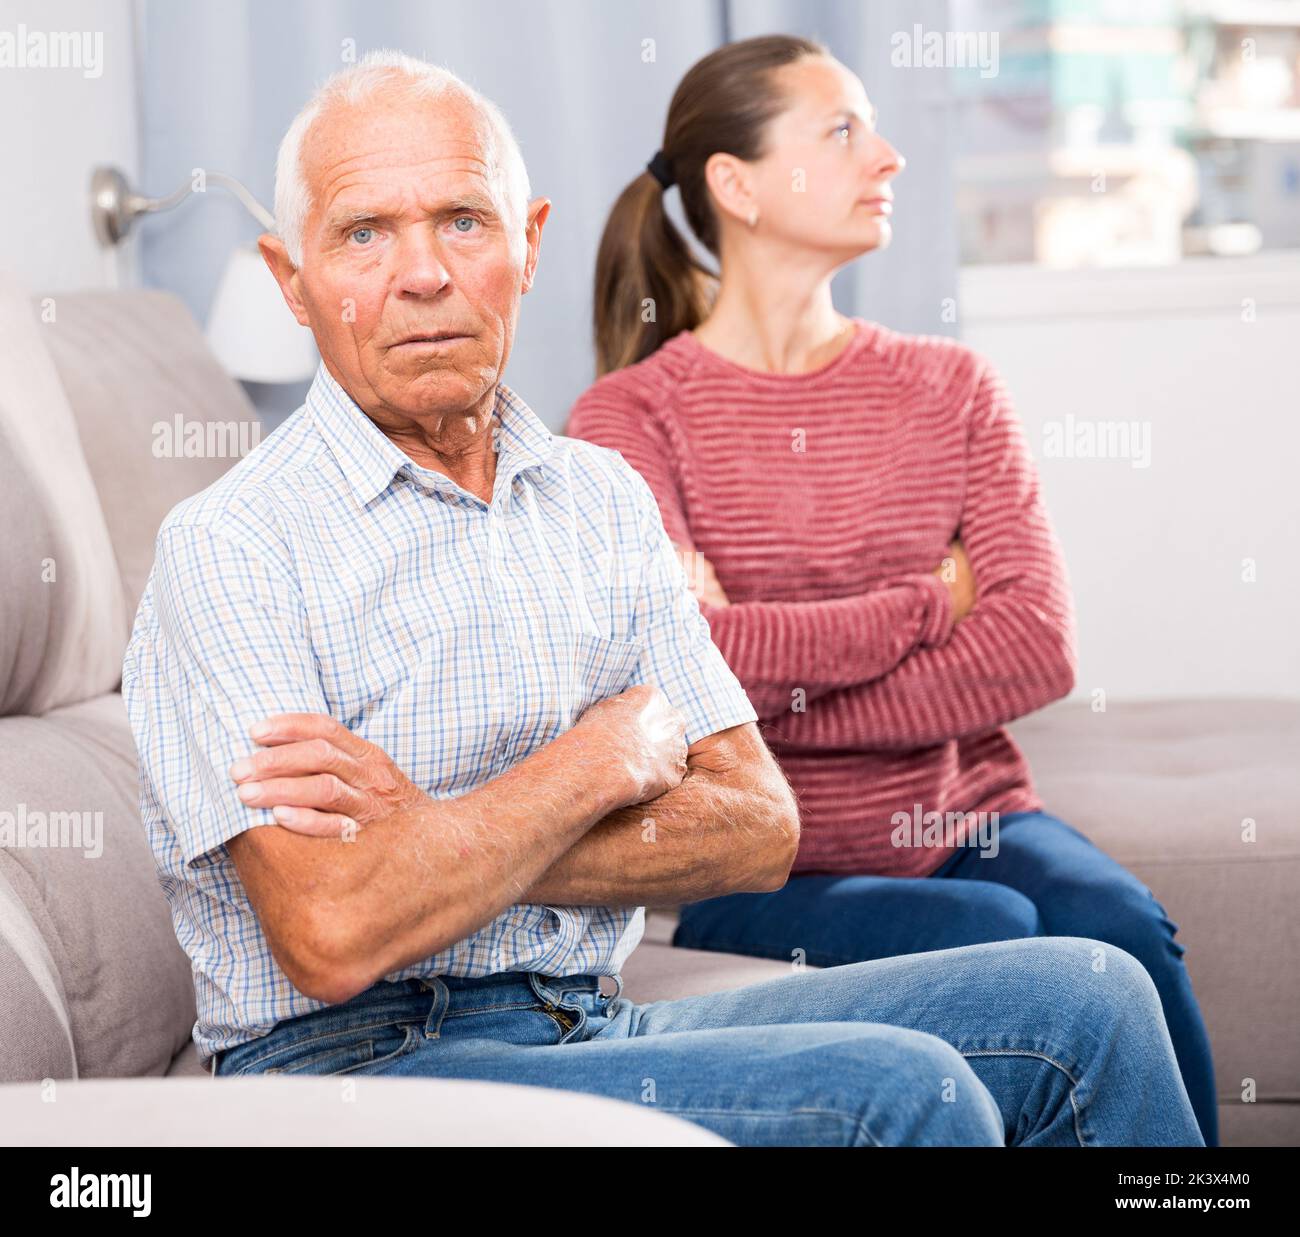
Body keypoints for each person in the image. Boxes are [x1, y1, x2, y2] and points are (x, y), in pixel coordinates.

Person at [121, 48, 1203, 1147]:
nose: (423, 274)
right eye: (364, 233)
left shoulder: (597, 497)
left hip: (586, 1019)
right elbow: (336, 926)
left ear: (527, 242)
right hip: (359, 1065)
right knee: (907, 1092)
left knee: (1091, 997)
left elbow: (754, 827)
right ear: (289, 277)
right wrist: (596, 762)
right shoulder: (231, 547)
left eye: (462, 220)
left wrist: (435, 839)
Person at [565, 33, 1218, 1146]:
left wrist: (761, 663)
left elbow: (1033, 647)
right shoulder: (629, 419)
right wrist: (924, 608)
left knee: (1119, 929)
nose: (890, 155)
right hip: (769, 853)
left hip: (970, 813)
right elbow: (679, 677)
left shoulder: (951, 384)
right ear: (737, 186)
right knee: (999, 932)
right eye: (841, 129)